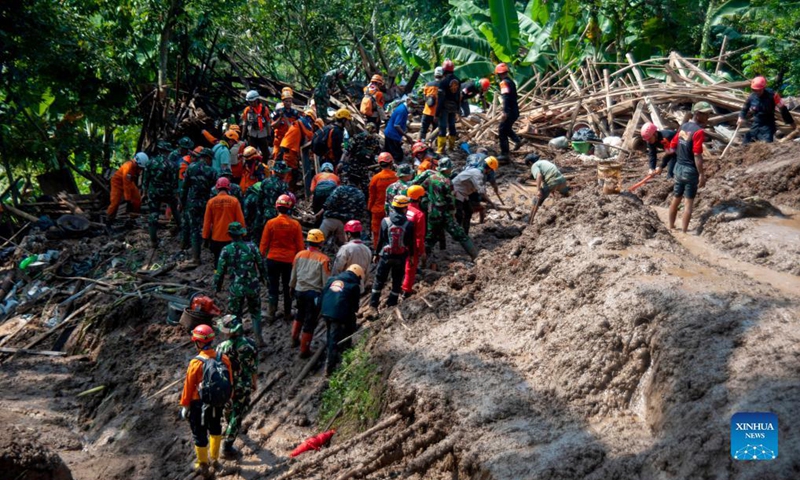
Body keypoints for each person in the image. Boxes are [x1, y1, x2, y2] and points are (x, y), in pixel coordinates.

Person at [179, 324, 233, 473]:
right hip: (217, 401)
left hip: (199, 404)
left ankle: (202, 464)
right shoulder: (223, 358)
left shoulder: (195, 363)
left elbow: (188, 387)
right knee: (215, 428)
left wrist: (185, 406)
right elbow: (229, 381)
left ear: (198, 342)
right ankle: (215, 459)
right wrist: (229, 398)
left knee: (199, 432)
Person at [214, 222, 267, 346]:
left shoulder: (226, 250)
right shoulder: (253, 247)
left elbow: (220, 271)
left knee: (235, 315)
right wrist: (265, 281)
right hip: (252, 286)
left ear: (230, 235)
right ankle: (259, 339)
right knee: (255, 313)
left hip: (236, 287)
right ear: (242, 233)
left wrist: (217, 287)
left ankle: (240, 341)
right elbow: (261, 266)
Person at [215, 316, 258, 459]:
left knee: (228, 408)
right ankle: (227, 446)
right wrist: (254, 383)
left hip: (227, 384)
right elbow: (253, 368)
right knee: (238, 413)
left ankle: (229, 426)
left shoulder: (221, 347)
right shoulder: (251, 345)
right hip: (243, 384)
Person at [367, 195, 415, 316]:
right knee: (397, 280)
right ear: (405, 208)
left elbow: (381, 240)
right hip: (400, 256)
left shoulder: (385, 221)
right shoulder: (409, 224)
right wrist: (411, 256)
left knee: (379, 280)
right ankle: (391, 304)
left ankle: (373, 306)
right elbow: (411, 242)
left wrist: (376, 253)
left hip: (386, 255)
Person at [260, 194, 305, 322]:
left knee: (273, 287)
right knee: (288, 287)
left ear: (276, 207)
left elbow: (264, 244)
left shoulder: (270, 223)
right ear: (290, 208)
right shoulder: (295, 225)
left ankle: (271, 312)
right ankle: (287, 313)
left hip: (272, 260)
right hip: (289, 261)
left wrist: (259, 260)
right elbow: (300, 245)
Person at [422, 158, 478, 259]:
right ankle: (476, 256)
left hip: (432, 213)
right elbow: (450, 201)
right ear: (447, 169)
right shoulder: (447, 182)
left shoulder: (430, 178)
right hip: (444, 214)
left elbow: (423, 189)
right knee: (460, 234)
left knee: (430, 238)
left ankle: (423, 260)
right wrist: (453, 213)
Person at [668, 102, 711, 233]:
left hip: (678, 168)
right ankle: (685, 232)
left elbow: (673, 145)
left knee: (676, 198)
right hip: (690, 171)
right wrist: (702, 175)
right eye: (706, 114)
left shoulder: (684, 126)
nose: (708, 117)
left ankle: (671, 227)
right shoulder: (698, 132)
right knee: (688, 203)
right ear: (697, 114)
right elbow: (697, 154)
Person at [289, 229, 331, 357]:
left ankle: (294, 339)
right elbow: (326, 282)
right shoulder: (324, 259)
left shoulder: (299, 255)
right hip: (313, 294)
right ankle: (304, 350)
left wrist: (292, 287)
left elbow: (294, 274)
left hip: (299, 291)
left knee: (299, 314)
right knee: (310, 321)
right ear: (321, 243)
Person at [320, 264, 364, 375]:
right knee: (336, 339)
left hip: (325, 310)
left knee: (331, 335)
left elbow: (324, 294)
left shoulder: (331, 279)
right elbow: (355, 307)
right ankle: (331, 366)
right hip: (338, 313)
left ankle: (332, 354)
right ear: (358, 276)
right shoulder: (354, 286)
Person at [180, 148, 217, 264]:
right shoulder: (212, 172)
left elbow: (184, 187)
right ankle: (212, 251)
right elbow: (215, 190)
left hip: (192, 203)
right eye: (211, 159)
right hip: (206, 204)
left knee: (194, 228)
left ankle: (196, 257)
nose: (211, 162)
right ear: (207, 158)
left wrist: (182, 202)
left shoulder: (191, 168)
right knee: (209, 226)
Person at [738, 76, 797, 144]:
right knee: (745, 143)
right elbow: (744, 108)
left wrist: (792, 123)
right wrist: (740, 117)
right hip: (756, 124)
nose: (757, 92)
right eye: (755, 90)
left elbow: (783, 109)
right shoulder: (751, 97)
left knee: (767, 145)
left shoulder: (773, 95)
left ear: (763, 88)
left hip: (768, 124)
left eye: (759, 90)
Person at [143, 141, 181, 248]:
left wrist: (144, 192)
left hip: (154, 192)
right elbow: (175, 183)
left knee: (154, 214)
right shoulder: (173, 165)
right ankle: (182, 231)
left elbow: (146, 180)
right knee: (175, 210)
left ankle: (153, 241)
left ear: (159, 150)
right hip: (168, 192)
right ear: (167, 151)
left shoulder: (150, 163)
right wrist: (176, 194)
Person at [203, 177, 246, 265]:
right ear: (228, 187)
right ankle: (230, 275)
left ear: (217, 187)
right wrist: (243, 234)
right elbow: (240, 219)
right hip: (231, 237)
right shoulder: (234, 201)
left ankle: (218, 275)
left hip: (216, 237)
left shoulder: (211, 202)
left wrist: (205, 237)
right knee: (231, 260)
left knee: (217, 261)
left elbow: (207, 222)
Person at [452, 158, 498, 235]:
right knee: (459, 215)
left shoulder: (477, 172)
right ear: (489, 169)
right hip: (456, 192)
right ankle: (457, 236)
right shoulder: (477, 174)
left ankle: (464, 234)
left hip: (464, 194)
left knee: (468, 211)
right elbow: (482, 192)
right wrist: (492, 203)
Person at [526, 154, 570, 225]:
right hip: (562, 180)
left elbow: (539, 175)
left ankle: (529, 221)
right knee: (567, 197)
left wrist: (538, 190)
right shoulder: (544, 162)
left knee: (536, 200)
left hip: (552, 181)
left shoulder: (534, 165)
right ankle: (570, 213)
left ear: (530, 163)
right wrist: (551, 189)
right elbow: (550, 172)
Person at [341, 123, 381, 198]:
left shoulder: (358, 137)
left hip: (355, 166)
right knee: (364, 187)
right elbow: (377, 153)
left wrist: (341, 161)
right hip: (365, 167)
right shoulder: (375, 140)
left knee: (352, 185)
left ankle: (351, 199)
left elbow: (348, 150)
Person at [277, 110, 314, 190]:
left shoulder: (298, 121)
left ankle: (289, 187)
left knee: (289, 168)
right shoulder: (305, 123)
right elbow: (310, 136)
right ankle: (288, 189)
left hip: (286, 145)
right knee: (291, 170)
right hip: (290, 148)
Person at [332, 220, 372, 292]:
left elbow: (337, 268)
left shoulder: (345, 249)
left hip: (345, 288)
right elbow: (367, 272)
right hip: (359, 289)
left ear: (349, 234)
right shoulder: (367, 250)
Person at [255, 161, 291, 240]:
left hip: (266, 213)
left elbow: (259, 199)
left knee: (266, 235)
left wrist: (260, 213)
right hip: (278, 214)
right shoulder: (283, 184)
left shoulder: (265, 182)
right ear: (281, 173)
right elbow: (286, 201)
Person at [107, 152, 148, 222]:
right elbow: (126, 184)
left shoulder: (136, 167)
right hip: (117, 183)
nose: (140, 170)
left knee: (137, 199)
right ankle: (109, 220)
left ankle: (134, 218)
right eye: (140, 168)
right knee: (115, 203)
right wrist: (128, 199)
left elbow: (129, 182)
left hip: (129, 182)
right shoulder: (128, 167)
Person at [368, 152, 398, 243]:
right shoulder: (397, 176)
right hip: (393, 210)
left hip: (378, 210)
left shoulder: (375, 178)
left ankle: (377, 254)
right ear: (391, 163)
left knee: (377, 233)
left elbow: (372, 196)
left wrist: (369, 208)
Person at [402, 185, 426, 297]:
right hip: (411, 245)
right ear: (420, 198)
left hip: (398, 242)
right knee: (410, 268)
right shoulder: (419, 215)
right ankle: (406, 290)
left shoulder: (402, 209)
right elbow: (419, 236)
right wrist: (421, 251)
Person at [496, 63, 523, 160]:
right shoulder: (511, 82)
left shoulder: (503, 83)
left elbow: (506, 98)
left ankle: (504, 153)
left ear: (499, 74)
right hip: (515, 110)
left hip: (510, 111)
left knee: (502, 130)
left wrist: (505, 112)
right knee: (507, 128)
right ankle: (517, 140)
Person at [436, 59, 461, 154]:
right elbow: (458, 96)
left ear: (444, 70)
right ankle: (451, 147)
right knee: (452, 126)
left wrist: (437, 112)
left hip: (445, 107)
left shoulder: (443, 82)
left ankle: (440, 150)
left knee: (442, 127)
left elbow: (441, 98)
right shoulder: (457, 80)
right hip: (454, 107)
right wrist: (458, 109)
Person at [383, 95, 416, 164]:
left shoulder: (403, 108)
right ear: (408, 100)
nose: (413, 105)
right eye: (412, 103)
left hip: (390, 133)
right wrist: (407, 136)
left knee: (388, 151)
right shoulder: (402, 110)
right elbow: (397, 125)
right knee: (398, 155)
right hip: (393, 135)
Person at [272, 87, 300, 158]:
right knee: (276, 157)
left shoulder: (295, 113)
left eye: (290, 101)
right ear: (283, 101)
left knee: (290, 159)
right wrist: (280, 118)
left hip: (290, 140)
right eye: (286, 101)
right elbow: (272, 126)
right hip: (279, 140)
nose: (288, 103)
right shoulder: (277, 112)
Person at [242, 90, 272, 155]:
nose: (251, 104)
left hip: (262, 134)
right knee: (251, 152)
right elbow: (244, 123)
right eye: (249, 102)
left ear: (256, 100)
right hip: (251, 134)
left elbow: (268, 123)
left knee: (265, 153)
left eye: (252, 102)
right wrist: (243, 135)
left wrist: (269, 135)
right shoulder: (247, 110)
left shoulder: (264, 109)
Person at [419, 67, 443, 141]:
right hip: (437, 114)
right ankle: (430, 144)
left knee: (423, 129)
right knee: (435, 130)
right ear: (442, 75)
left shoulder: (428, 84)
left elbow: (425, 97)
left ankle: (421, 144)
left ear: (434, 75)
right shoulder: (444, 86)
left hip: (426, 112)